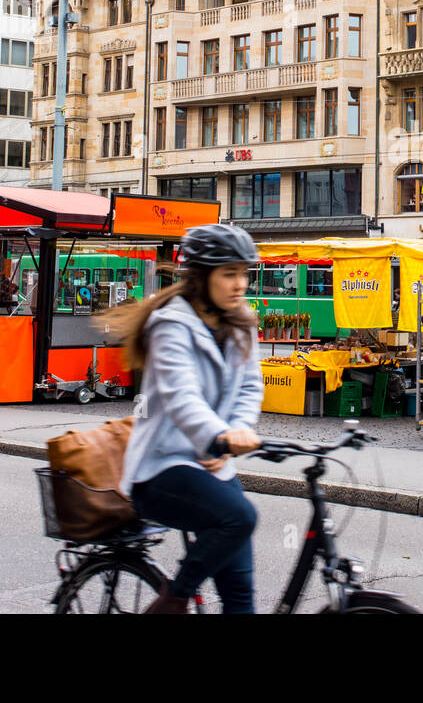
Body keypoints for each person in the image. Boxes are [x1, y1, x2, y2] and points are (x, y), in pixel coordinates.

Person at [119, 224, 263, 614]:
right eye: (229, 274)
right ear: (200, 278)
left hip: (211, 465)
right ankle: (173, 600)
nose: (241, 284)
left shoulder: (239, 322)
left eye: (244, 273)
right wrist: (217, 437)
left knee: (240, 600)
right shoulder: (170, 325)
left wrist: (239, 430)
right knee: (240, 517)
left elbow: (250, 387)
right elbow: (181, 397)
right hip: (161, 468)